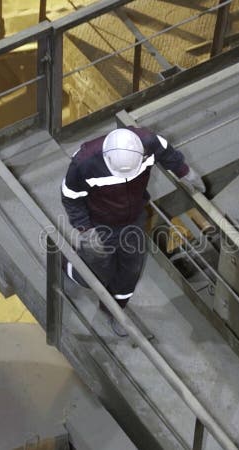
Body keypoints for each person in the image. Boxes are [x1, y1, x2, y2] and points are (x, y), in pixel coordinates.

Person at [61, 127, 205, 336]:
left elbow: (166, 152)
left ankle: (115, 312)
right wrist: (86, 230)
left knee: (131, 270)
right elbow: (70, 198)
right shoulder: (85, 162)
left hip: (134, 219)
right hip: (100, 223)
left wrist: (185, 172)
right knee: (98, 269)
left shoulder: (148, 142)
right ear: (108, 159)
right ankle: (68, 269)